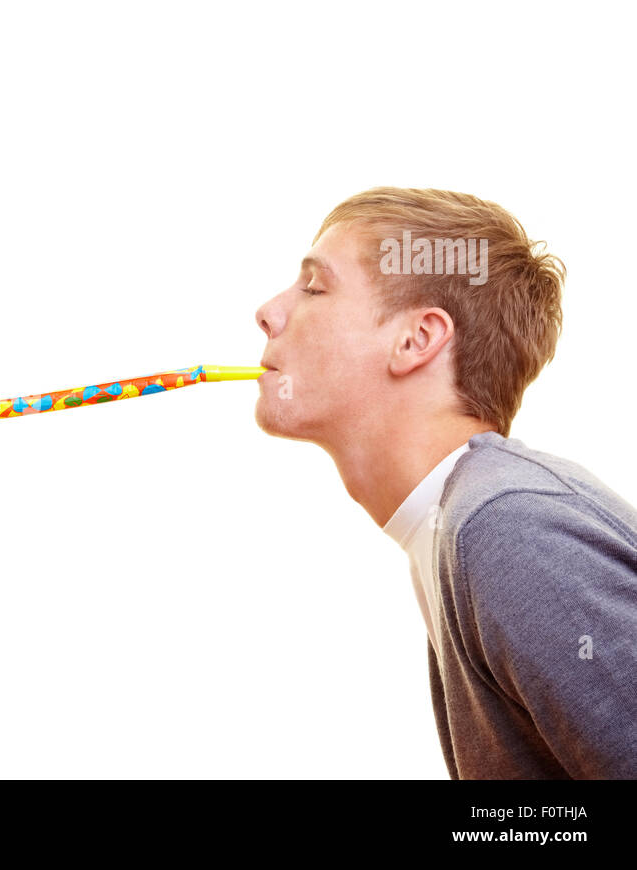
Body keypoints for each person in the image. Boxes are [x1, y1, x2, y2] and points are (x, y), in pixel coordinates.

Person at [253, 187, 637, 778]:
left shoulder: (507, 527)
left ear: (415, 341)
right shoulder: (453, 528)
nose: (269, 313)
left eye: (314, 287)